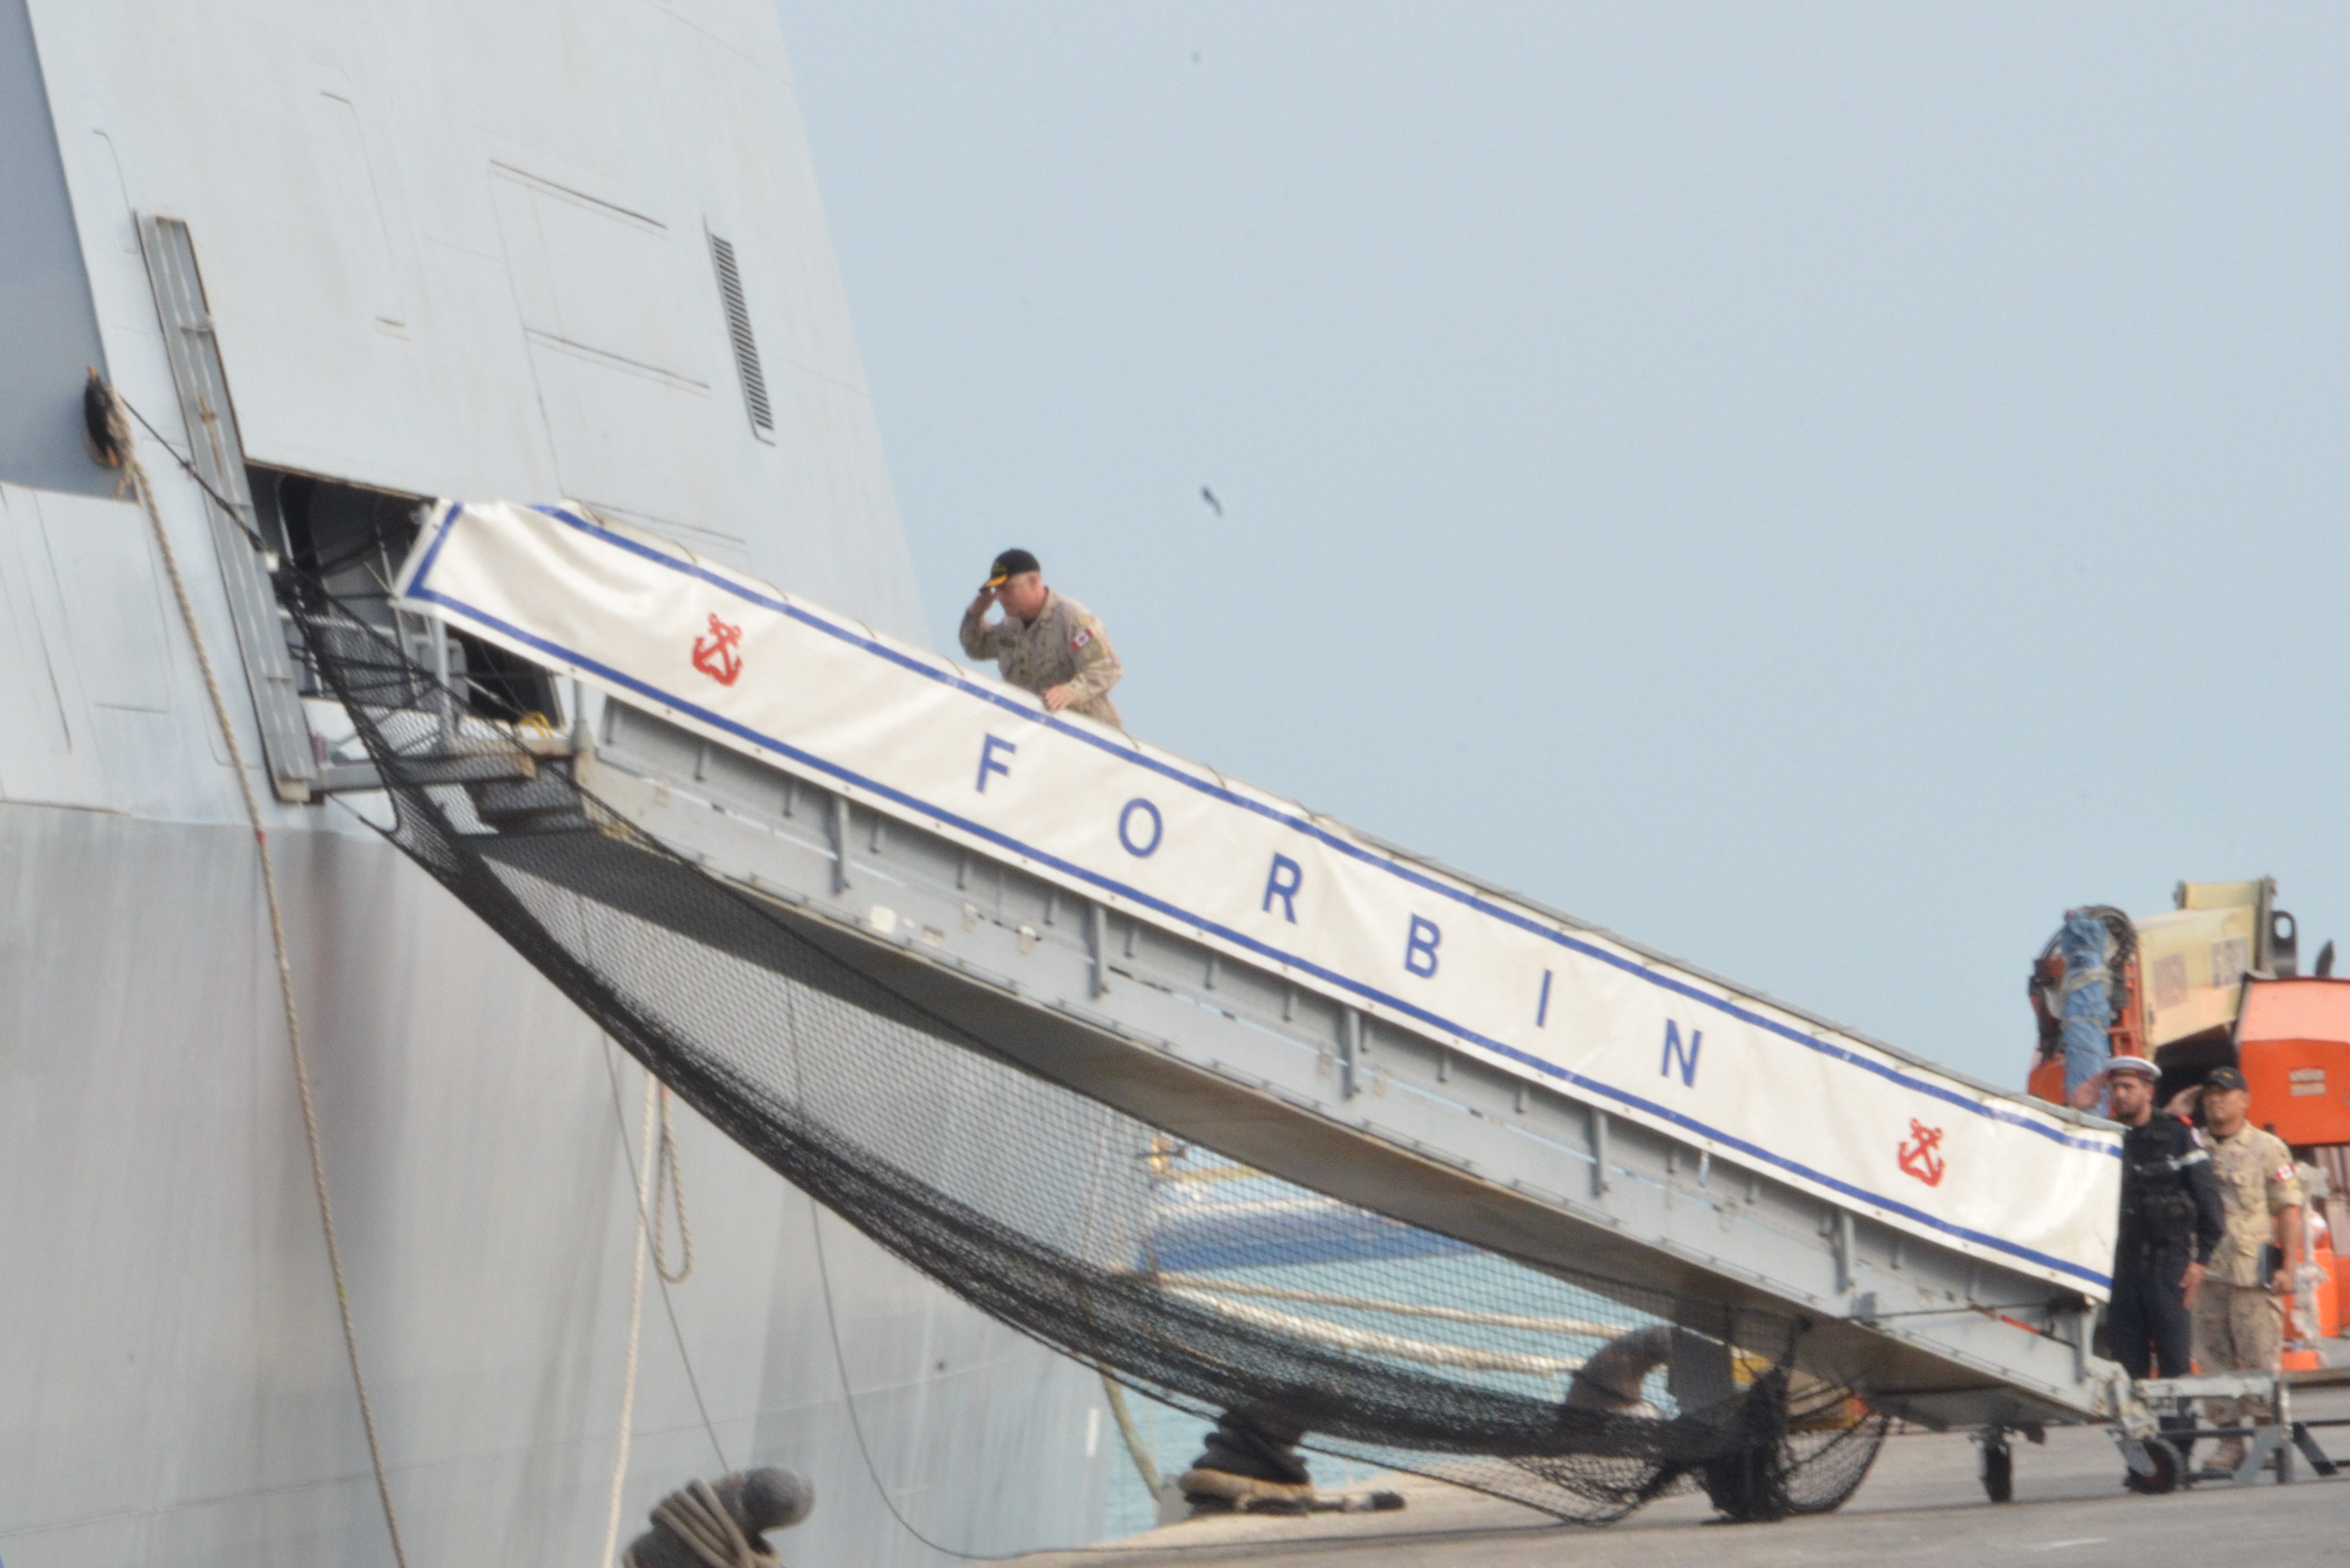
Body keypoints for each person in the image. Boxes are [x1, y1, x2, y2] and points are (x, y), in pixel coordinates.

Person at [2102, 1054, 2224, 1470]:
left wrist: (2200, 1262)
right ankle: (2141, 1458)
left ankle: (2178, 1454)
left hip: (2168, 1268)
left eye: (2129, 1087)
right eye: (2115, 1087)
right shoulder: (2106, 1138)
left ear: (2148, 1091)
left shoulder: (2177, 1137)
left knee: (2174, 1366)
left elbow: (2210, 1206)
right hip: (2122, 1271)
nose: (2120, 1094)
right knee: (2128, 1371)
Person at [2187, 1065, 2304, 1477]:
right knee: (2213, 1361)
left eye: (2225, 1093)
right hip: (2207, 1272)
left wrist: (2289, 1267)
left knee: (2260, 1359)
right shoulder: (2194, 1147)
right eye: (2210, 1095)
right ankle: (2229, 1444)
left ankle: (2269, 1438)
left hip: (2253, 1272)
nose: (2216, 1101)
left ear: (2244, 1100)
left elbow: (2288, 1209)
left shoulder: (2268, 1148)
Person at [958, 548, 1124, 727]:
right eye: (996, 590)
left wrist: (1070, 692)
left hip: (1088, 734)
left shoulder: (1070, 618)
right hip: (1035, 734)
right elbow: (975, 647)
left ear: (1033, 582)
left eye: (1007, 589)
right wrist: (975, 613)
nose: (999, 597)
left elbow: (1107, 668)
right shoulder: (1009, 627)